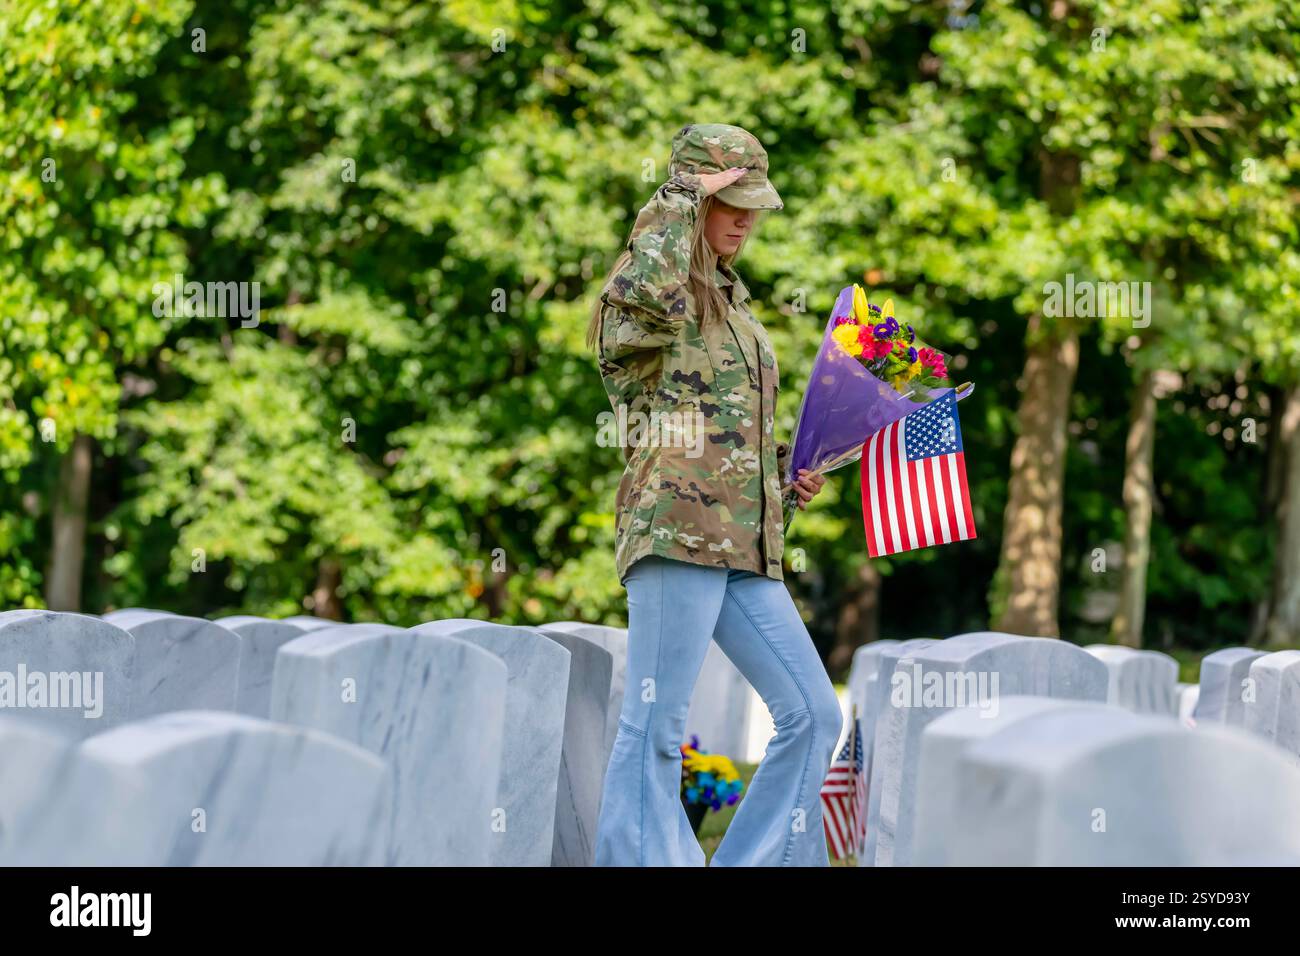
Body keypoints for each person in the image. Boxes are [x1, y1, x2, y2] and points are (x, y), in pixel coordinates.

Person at [585, 123, 844, 866]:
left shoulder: (737, 306)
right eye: (730, 203)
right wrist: (675, 201)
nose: (746, 219)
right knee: (656, 723)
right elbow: (650, 304)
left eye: (753, 205)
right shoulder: (647, 290)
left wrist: (787, 480)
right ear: (691, 199)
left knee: (811, 715)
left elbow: (730, 435)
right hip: (675, 532)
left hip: (741, 545)